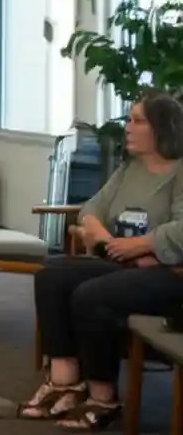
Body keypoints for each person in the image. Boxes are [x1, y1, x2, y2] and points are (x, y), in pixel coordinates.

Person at [17, 90, 183, 431]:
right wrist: (100, 234)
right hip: (125, 262)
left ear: (162, 129)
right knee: (52, 275)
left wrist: (139, 245)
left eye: (138, 121)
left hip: (170, 273)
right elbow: (93, 208)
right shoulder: (130, 169)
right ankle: (64, 383)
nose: (128, 127)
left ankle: (103, 397)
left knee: (91, 294)